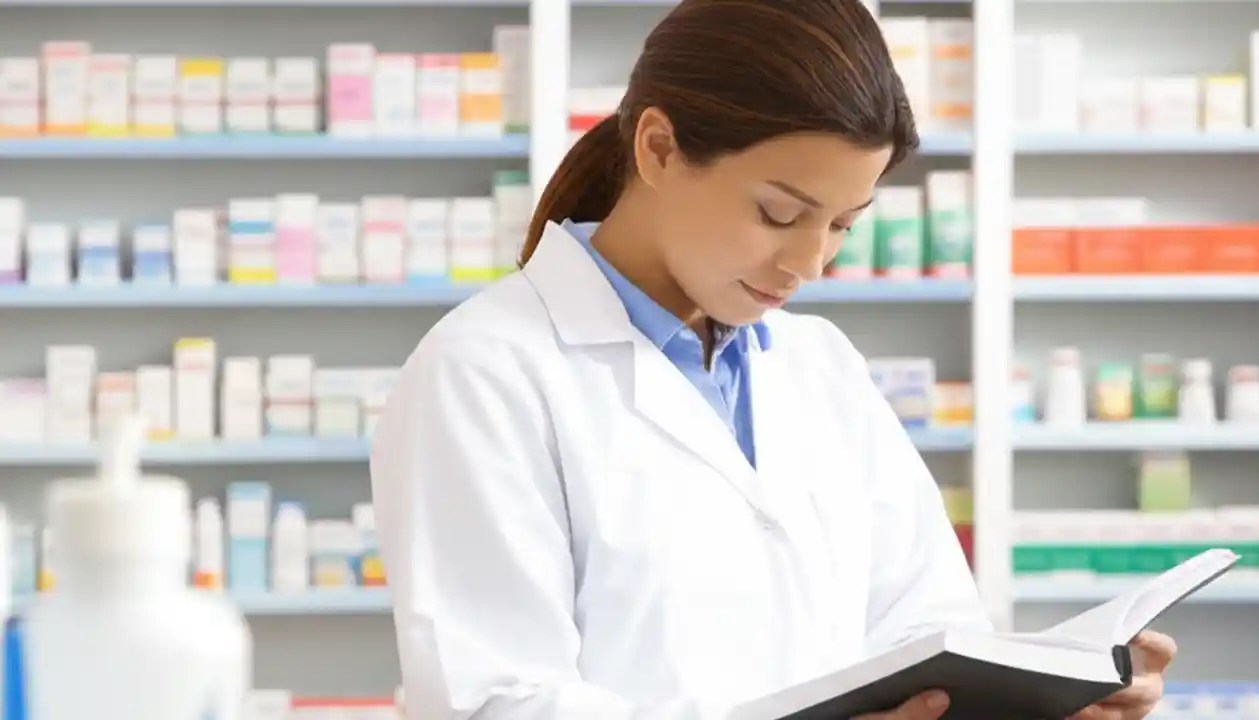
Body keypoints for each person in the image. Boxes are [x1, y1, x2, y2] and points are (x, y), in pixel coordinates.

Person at [370, 1, 1176, 718]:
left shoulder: (819, 365)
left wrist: (1040, 701)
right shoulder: (485, 371)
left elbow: (930, 634)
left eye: (841, 226)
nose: (810, 264)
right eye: (779, 212)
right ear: (657, 148)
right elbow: (495, 701)